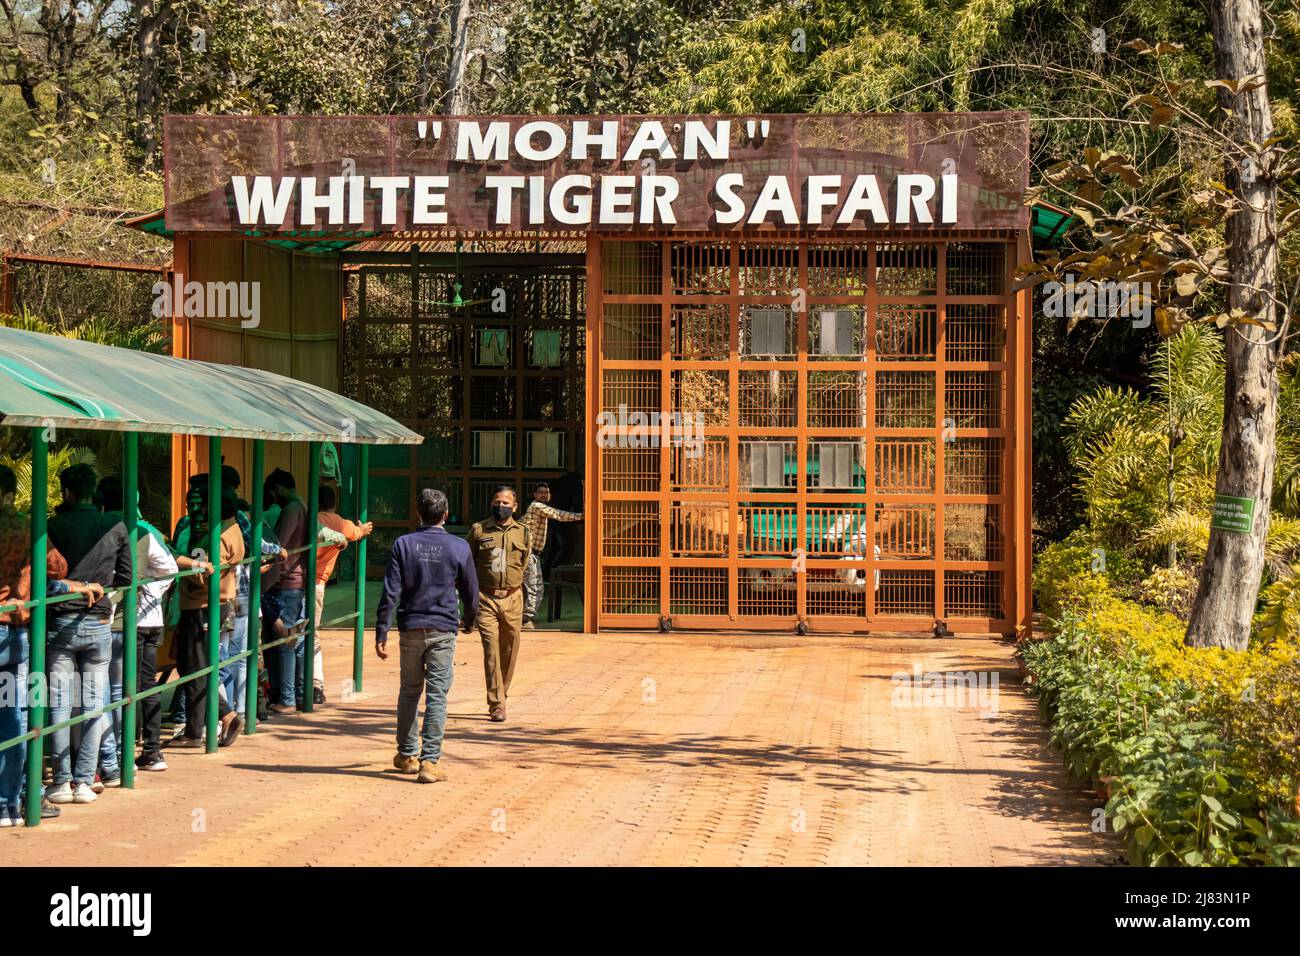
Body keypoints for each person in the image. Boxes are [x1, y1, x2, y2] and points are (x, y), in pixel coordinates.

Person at [0, 464, 100, 825]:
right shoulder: (27, 528)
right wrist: (76, 585)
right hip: (16, 631)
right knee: (18, 715)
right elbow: (57, 569)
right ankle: (11, 803)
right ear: (11, 493)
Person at [376, 489, 477, 783]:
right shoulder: (458, 547)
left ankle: (407, 754)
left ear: (417, 512)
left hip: (410, 627)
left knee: (409, 692)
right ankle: (430, 762)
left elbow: (391, 591)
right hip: (443, 629)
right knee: (437, 696)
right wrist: (468, 621)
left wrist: (382, 628)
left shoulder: (403, 545)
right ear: (445, 515)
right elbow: (471, 592)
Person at [45, 464, 132, 804]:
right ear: (93, 492)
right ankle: (84, 781)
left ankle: (61, 782)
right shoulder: (115, 525)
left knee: (59, 705)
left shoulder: (50, 526)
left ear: (65, 492)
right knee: (94, 704)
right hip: (99, 623)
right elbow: (127, 577)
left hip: (59, 626)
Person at [97, 476, 179, 774]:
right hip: (149, 620)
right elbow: (169, 569)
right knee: (145, 686)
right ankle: (152, 751)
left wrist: (133, 594)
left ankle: (115, 757)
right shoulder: (145, 530)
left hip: (118, 624)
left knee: (112, 690)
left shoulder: (100, 529)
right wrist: (148, 591)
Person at [173, 485, 245, 748]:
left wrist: (178, 564)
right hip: (222, 603)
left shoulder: (214, 537)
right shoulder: (234, 529)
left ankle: (224, 715)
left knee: (195, 668)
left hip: (202, 605)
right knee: (198, 666)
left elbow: (203, 575)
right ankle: (198, 728)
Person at [465, 485, 530, 723]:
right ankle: (497, 703)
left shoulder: (523, 532)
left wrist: (513, 588)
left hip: (513, 597)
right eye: (496, 501)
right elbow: (467, 562)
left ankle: (502, 692)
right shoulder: (479, 530)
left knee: (509, 649)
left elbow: (523, 564)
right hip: (486, 598)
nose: (500, 506)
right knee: (491, 650)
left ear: (514, 507)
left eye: (505, 503)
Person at [312, 484, 373, 703]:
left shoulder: (312, 517)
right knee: (312, 634)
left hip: (299, 581)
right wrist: (363, 529)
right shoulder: (341, 523)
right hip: (318, 583)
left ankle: (308, 685)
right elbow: (358, 532)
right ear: (334, 503)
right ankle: (315, 685)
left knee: (300, 634)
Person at [519, 482, 582, 629]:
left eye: (546, 492)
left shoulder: (536, 509)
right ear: (534, 495)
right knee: (535, 587)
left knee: (531, 586)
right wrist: (583, 516)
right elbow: (559, 515)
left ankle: (523, 617)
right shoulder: (537, 507)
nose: (544, 495)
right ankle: (525, 619)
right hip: (529, 554)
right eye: (540, 492)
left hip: (531, 554)